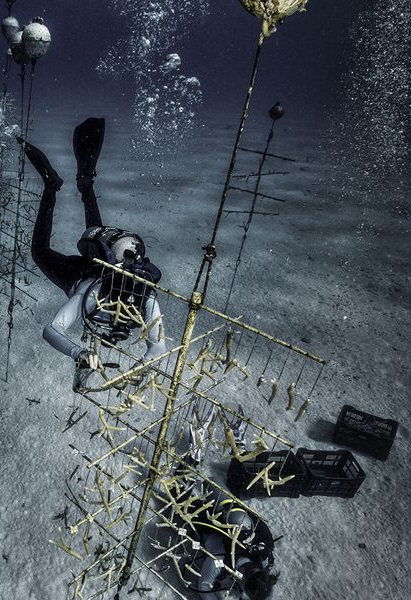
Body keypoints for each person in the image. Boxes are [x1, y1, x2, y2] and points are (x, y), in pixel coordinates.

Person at [20, 118, 166, 389]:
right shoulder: (99, 293)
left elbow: (157, 347)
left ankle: (84, 185)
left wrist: (141, 366)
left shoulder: (144, 294)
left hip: (105, 264)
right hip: (79, 275)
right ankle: (52, 186)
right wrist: (79, 353)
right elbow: (51, 329)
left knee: (96, 245)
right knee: (40, 252)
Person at [172, 402, 280, 599]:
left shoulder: (265, 557)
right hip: (211, 522)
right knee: (178, 504)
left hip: (230, 508)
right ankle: (194, 458)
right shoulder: (220, 560)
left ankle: (235, 445)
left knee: (233, 495)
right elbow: (204, 586)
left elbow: (260, 525)